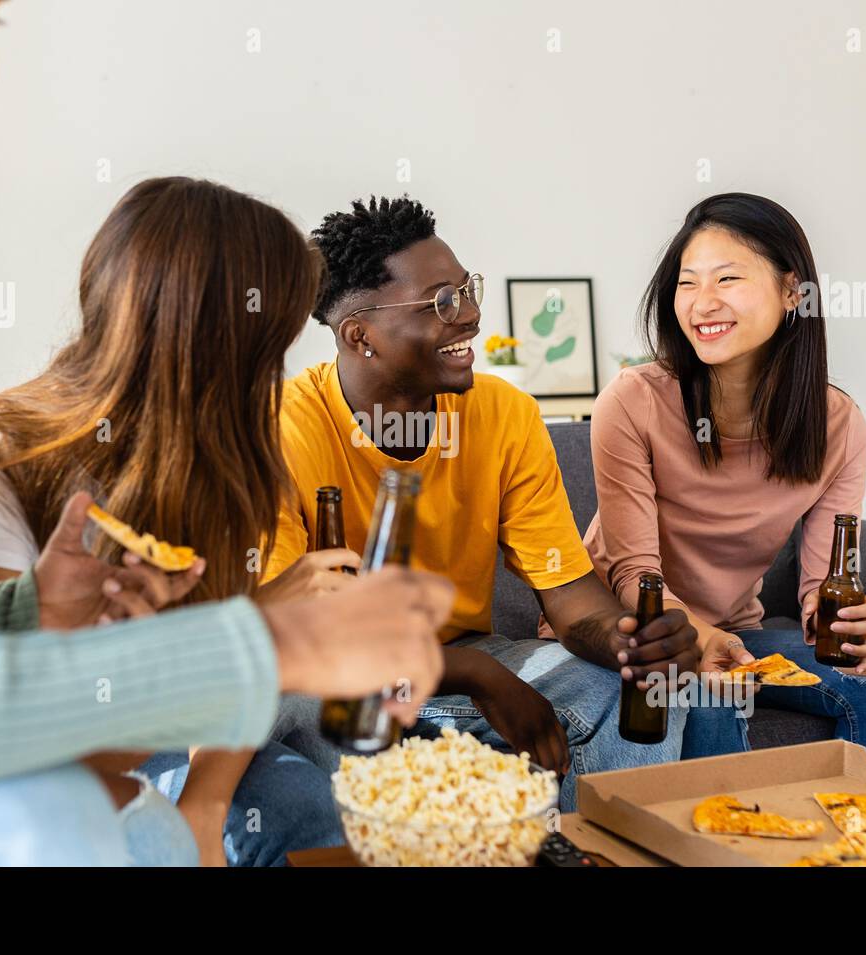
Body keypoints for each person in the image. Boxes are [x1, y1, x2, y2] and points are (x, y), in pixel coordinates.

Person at [0, 0, 449, 865]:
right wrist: (262, 640)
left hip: (63, 752)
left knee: (296, 787)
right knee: (82, 822)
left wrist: (26, 611)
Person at [0, 175, 367, 866]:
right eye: (267, 351)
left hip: (124, 751)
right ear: (211, 346)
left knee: (313, 798)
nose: (275, 377)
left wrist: (204, 809)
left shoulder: (219, 470)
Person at [214, 195, 710, 836]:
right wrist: (475, 675)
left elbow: (572, 600)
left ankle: (588, 851)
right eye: (441, 302)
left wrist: (628, 640)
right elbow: (294, 635)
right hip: (330, 670)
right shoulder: (280, 427)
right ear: (358, 335)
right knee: (320, 711)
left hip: (461, 650)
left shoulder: (506, 416)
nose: (471, 315)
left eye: (467, 290)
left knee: (622, 694)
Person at [583, 192, 866, 763]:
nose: (701, 303)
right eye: (687, 283)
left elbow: (823, 584)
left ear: (793, 292)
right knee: (711, 694)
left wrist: (846, 620)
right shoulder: (633, 401)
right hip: (631, 632)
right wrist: (704, 642)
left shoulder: (838, 425)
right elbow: (633, 575)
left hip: (738, 632)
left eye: (727, 279)